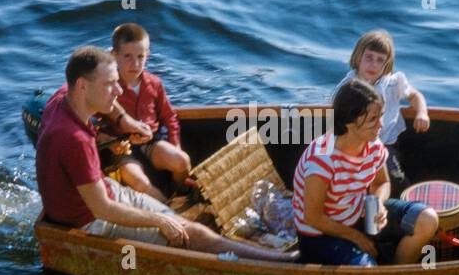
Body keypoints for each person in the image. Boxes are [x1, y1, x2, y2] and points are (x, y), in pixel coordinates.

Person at [36, 46, 296, 262]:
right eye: (109, 85)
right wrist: (157, 221)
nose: (118, 91)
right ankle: (284, 262)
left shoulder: (63, 97)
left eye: (117, 82)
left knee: (179, 224)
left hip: (108, 192)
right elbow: (102, 209)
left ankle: (202, 237)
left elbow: (107, 98)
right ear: (82, 86)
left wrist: (125, 120)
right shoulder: (74, 139)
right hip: (92, 222)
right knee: (192, 236)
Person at [292, 79, 439, 266]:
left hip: (358, 216)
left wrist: (378, 203)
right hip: (320, 235)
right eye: (373, 119)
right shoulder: (322, 160)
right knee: (367, 270)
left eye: (381, 116)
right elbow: (312, 217)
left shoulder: (373, 145)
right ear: (349, 123)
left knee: (427, 219)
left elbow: (382, 183)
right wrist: (356, 237)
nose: (381, 125)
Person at [103, 23, 193, 202]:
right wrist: (109, 141)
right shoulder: (108, 87)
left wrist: (175, 144)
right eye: (127, 56)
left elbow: (170, 117)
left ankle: (177, 194)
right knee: (139, 182)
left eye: (140, 56)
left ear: (147, 55)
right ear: (114, 55)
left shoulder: (155, 83)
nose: (135, 64)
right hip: (123, 149)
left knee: (182, 161)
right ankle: (168, 211)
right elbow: (96, 123)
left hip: (151, 142)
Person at [332, 29, 429, 195]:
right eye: (369, 57)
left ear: (386, 64)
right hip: (356, 144)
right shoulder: (348, 87)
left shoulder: (393, 83)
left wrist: (422, 112)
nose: (373, 64)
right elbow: (336, 119)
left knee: (395, 178)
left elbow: (414, 95)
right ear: (358, 57)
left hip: (386, 143)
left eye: (380, 60)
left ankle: (403, 201)